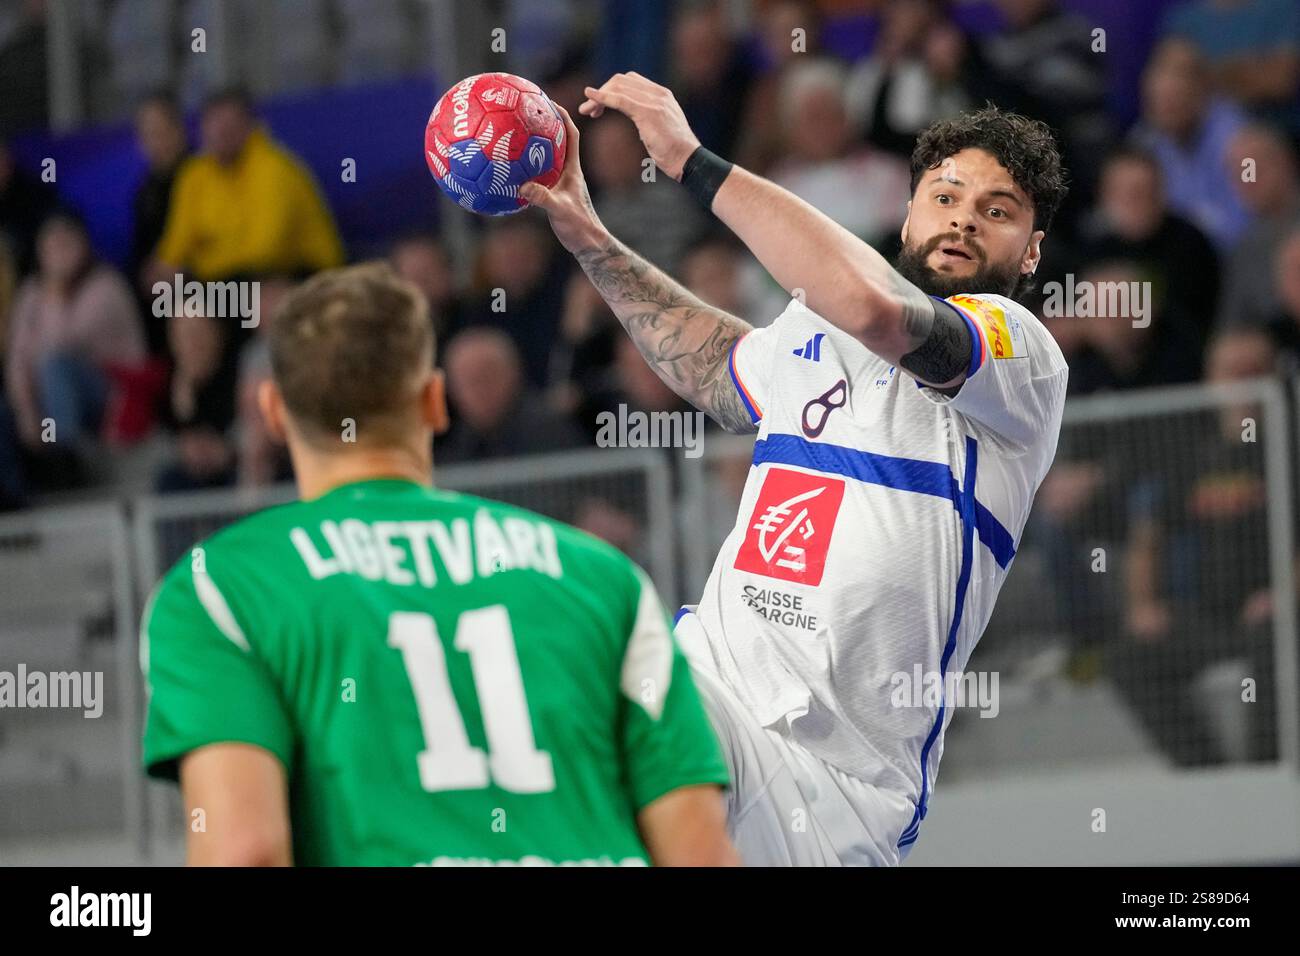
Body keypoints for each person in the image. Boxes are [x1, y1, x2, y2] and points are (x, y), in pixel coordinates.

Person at [523, 76, 1069, 865]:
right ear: (911, 208)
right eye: (946, 196)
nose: (963, 220)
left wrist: (692, 162)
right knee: (570, 684)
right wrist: (590, 239)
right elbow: (713, 364)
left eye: (997, 210)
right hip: (716, 687)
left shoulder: (1022, 356)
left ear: (1033, 248)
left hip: (836, 788)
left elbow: (876, 309)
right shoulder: (817, 322)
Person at [140, 262, 736, 867]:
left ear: (271, 410)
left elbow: (245, 853)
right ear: (433, 400)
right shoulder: (606, 579)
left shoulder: (220, 588)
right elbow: (701, 853)